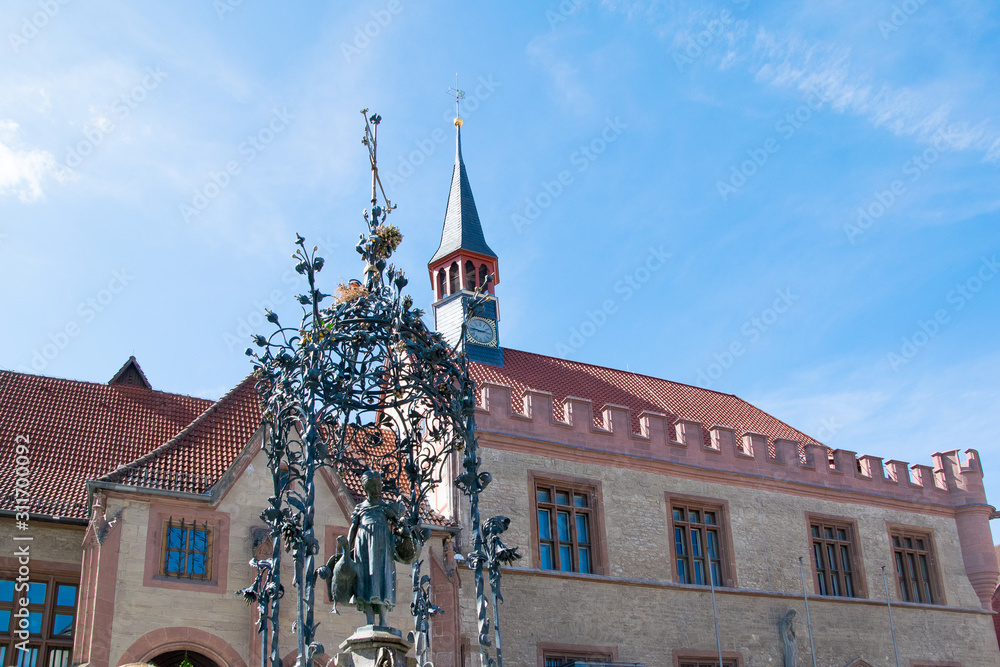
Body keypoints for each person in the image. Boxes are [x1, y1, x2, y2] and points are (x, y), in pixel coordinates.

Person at [348, 470, 401, 626]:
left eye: (379, 486)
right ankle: (370, 621)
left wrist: (400, 514)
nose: (377, 490)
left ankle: (383, 621)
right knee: (365, 580)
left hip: (382, 546)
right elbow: (353, 528)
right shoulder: (360, 508)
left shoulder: (385, 507)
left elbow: (400, 525)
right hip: (363, 547)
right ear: (366, 488)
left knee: (383, 579)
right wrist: (345, 549)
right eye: (373, 487)